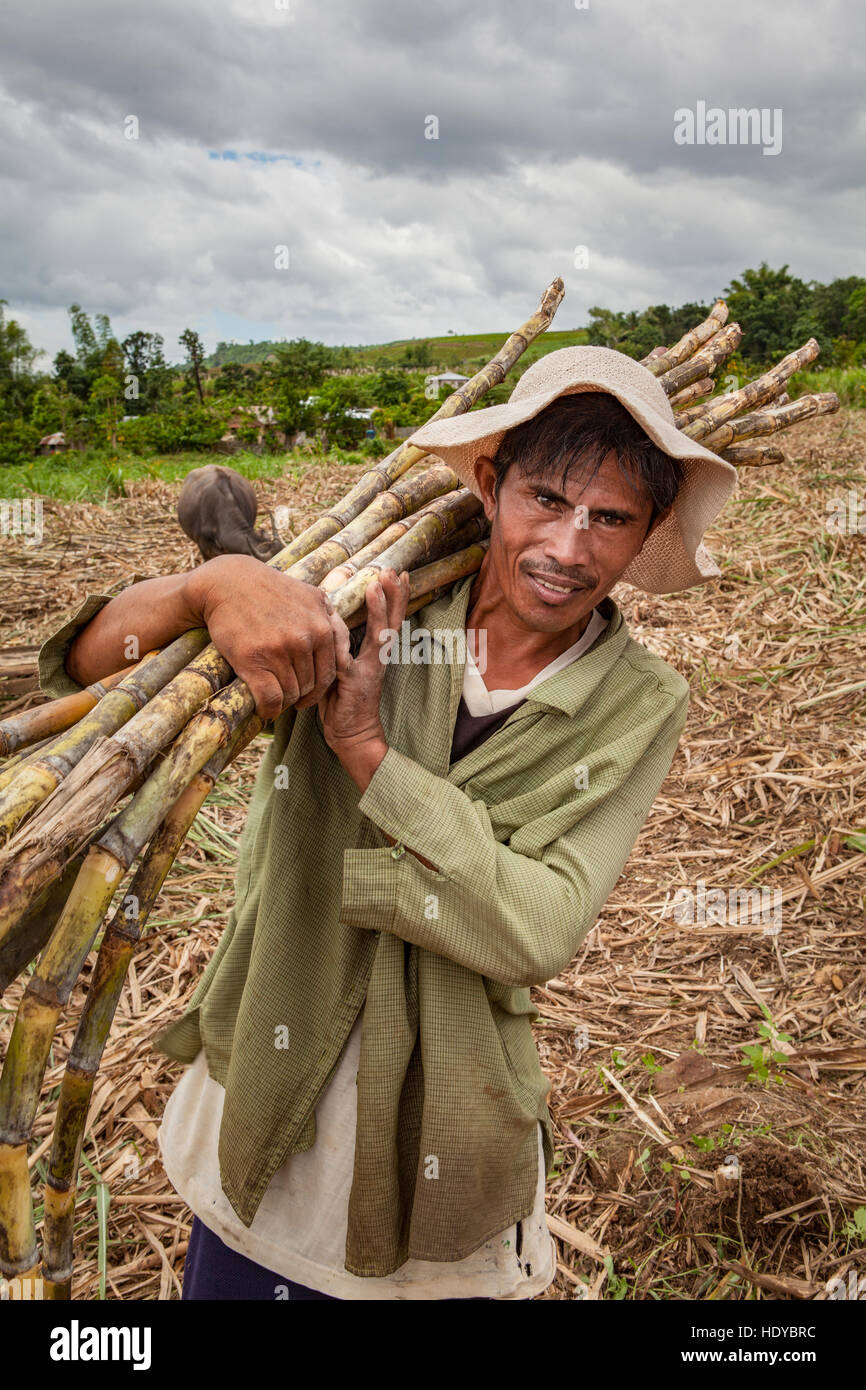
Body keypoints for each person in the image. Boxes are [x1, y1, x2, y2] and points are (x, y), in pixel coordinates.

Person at [38, 346, 737, 1299]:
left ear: (649, 525)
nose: (569, 550)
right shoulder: (360, 602)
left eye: (610, 518)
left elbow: (538, 926)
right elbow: (90, 668)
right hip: (276, 1071)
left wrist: (368, 754)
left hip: (445, 1110)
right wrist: (218, 585)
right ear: (490, 485)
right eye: (545, 499)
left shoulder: (639, 701)